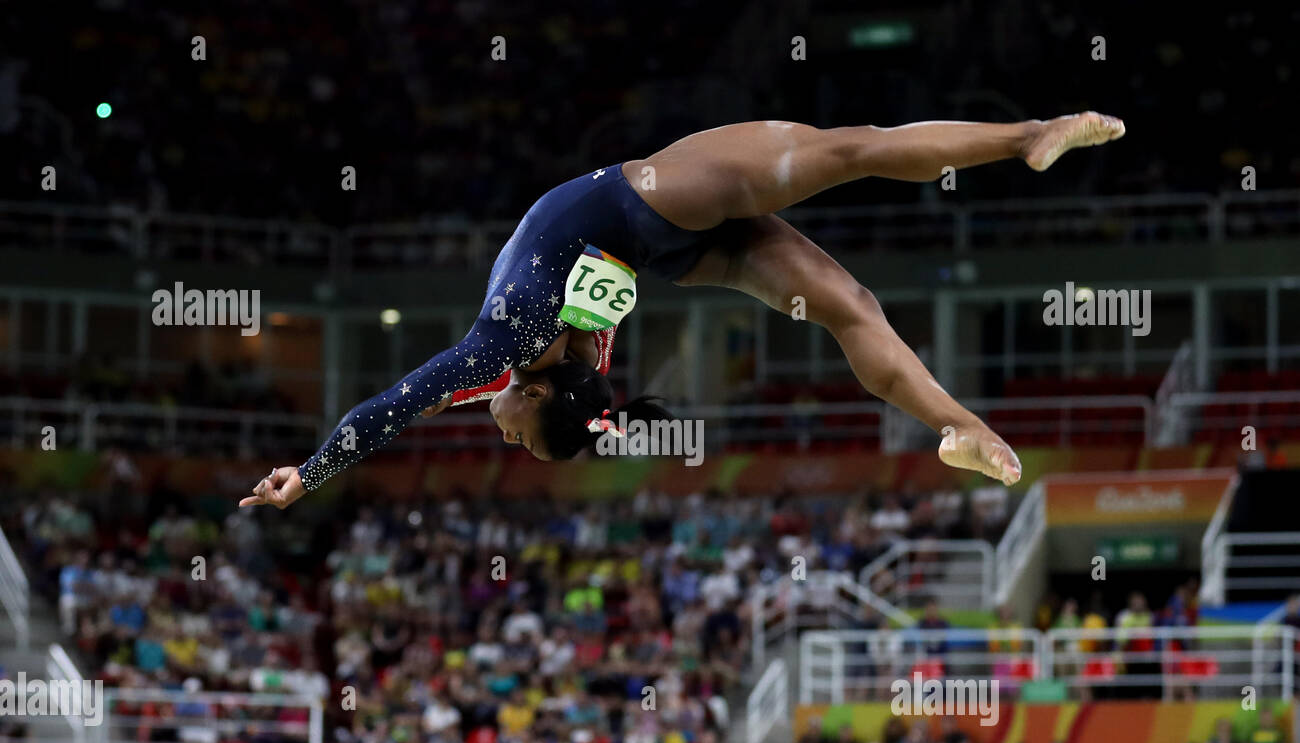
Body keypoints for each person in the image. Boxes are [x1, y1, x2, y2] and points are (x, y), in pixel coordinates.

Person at [241, 112, 1125, 509]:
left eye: (511, 435)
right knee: (847, 300)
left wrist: (307, 474)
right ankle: (961, 426)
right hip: (671, 240)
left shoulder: (496, 352)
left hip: (648, 197)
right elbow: (412, 409)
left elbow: (392, 409)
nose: (498, 429)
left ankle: (1026, 137)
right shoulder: (528, 374)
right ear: (545, 394)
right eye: (513, 434)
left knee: (847, 154)